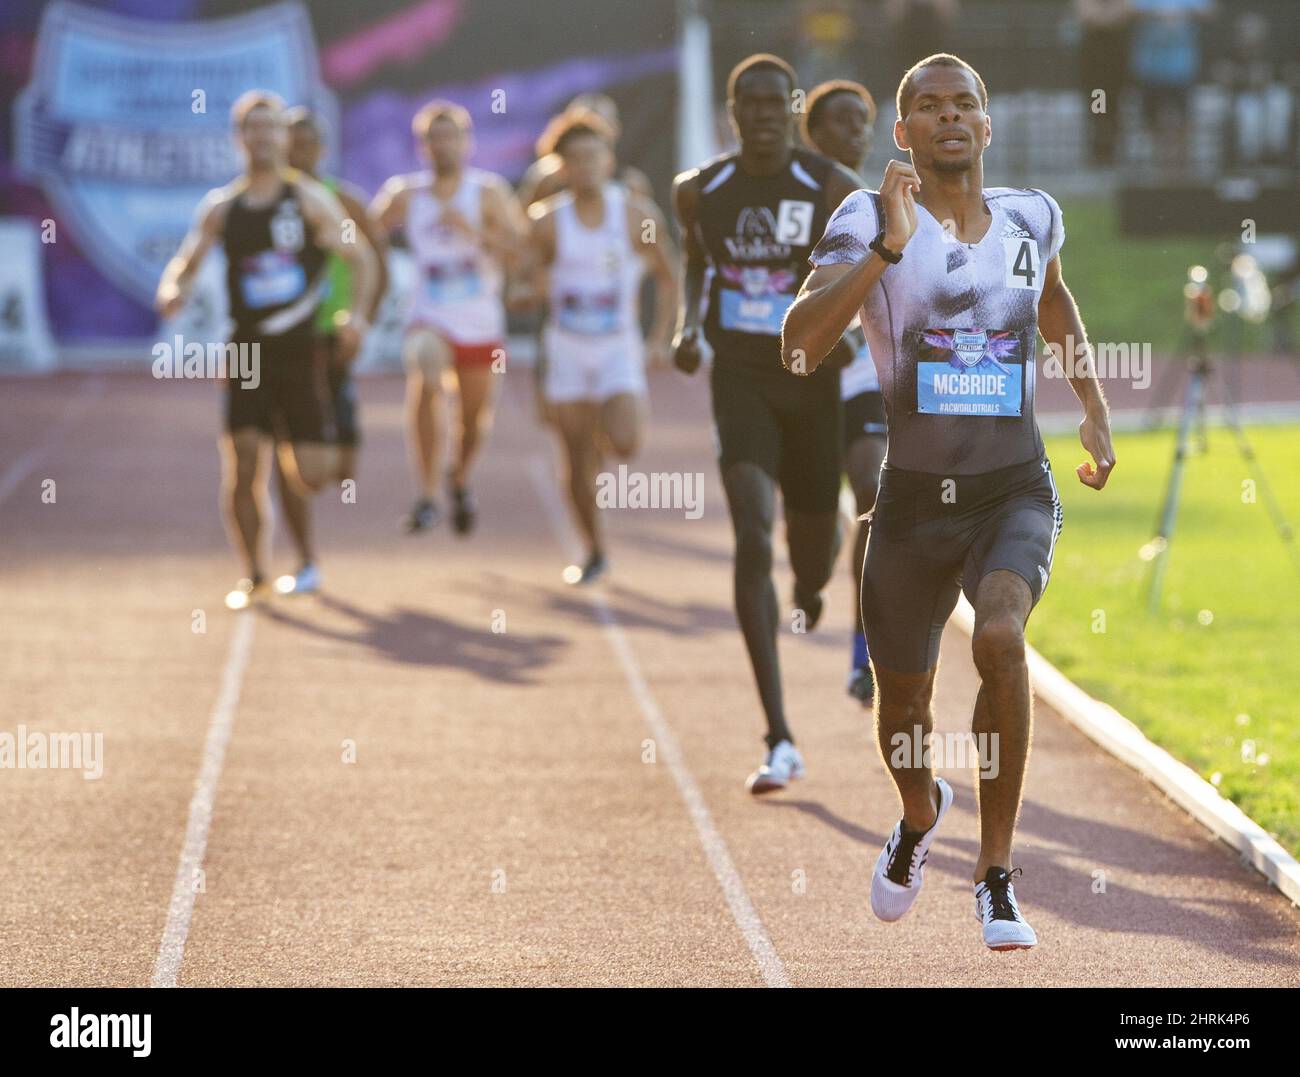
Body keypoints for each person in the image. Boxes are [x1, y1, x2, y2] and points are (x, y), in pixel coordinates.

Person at [783, 54, 1116, 949]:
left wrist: (1091, 405)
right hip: (912, 505)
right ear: (904, 133)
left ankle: (996, 870)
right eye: (927, 107)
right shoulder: (865, 218)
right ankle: (920, 813)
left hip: (1013, 486)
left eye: (964, 101)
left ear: (987, 122)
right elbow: (800, 342)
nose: (949, 117)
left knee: (1002, 636)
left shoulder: (1031, 215)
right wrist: (888, 248)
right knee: (904, 709)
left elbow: (1053, 304)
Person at [672, 54, 861, 794]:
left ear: (791, 108)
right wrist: (688, 328)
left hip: (812, 379)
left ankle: (811, 588)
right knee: (752, 531)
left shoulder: (830, 187)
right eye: (744, 103)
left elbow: (871, 266)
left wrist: (844, 325)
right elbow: (696, 263)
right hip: (742, 378)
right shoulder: (700, 190)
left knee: (810, 551)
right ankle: (778, 732)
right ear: (730, 111)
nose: (757, 114)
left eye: (771, 102)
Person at [155, 91, 377, 607]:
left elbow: (360, 256)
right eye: (252, 129)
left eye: (271, 128)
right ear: (239, 138)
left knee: (315, 473)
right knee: (244, 461)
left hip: (301, 351)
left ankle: (299, 490)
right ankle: (253, 573)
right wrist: (173, 290)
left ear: (284, 137)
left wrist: (358, 316)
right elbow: (186, 262)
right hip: (248, 350)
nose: (262, 138)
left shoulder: (308, 199)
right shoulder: (222, 207)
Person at [522, 109, 677, 583]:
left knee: (624, 442)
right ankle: (592, 549)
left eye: (595, 156)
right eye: (575, 159)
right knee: (575, 456)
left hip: (617, 348)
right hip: (566, 349)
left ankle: (605, 431)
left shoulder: (635, 216)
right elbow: (524, 283)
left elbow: (670, 277)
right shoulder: (546, 222)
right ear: (561, 168)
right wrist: (530, 288)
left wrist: (662, 337)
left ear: (609, 160)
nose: (586, 166)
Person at [371, 101, 526, 535]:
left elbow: (520, 253)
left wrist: (473, 232)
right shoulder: (406, 193)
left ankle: (457, 477)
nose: (443, 146)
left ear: (467, 143)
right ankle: (425, 496)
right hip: (429, 318)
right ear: (422, 147)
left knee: (474, 421)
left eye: (451, 137)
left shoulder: (488, 192)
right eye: (434, 139)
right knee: (425, 367)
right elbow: (364, 232)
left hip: (480, 323)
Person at [269, 106, 388, 594]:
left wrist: (361, 323)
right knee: (286, 448)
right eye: (290, 143)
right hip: (283, 342)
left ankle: (317, 459)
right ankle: (304, 556)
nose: (299, 152)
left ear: (322, 148)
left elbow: (375, 263)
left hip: (333, 341)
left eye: (307, 143)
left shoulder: (343, 204)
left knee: (340, 467)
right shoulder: (263, 204)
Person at [803, 79, 885, 705]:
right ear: (814, 130)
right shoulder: (797, 197)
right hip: (798, 376)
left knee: (874, 500)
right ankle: (809, 574)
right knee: (812, 535)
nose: (855, 131)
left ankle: (864, 655)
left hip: (861, 380)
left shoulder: (886, 202)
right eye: (840, 120)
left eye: (863, 119)